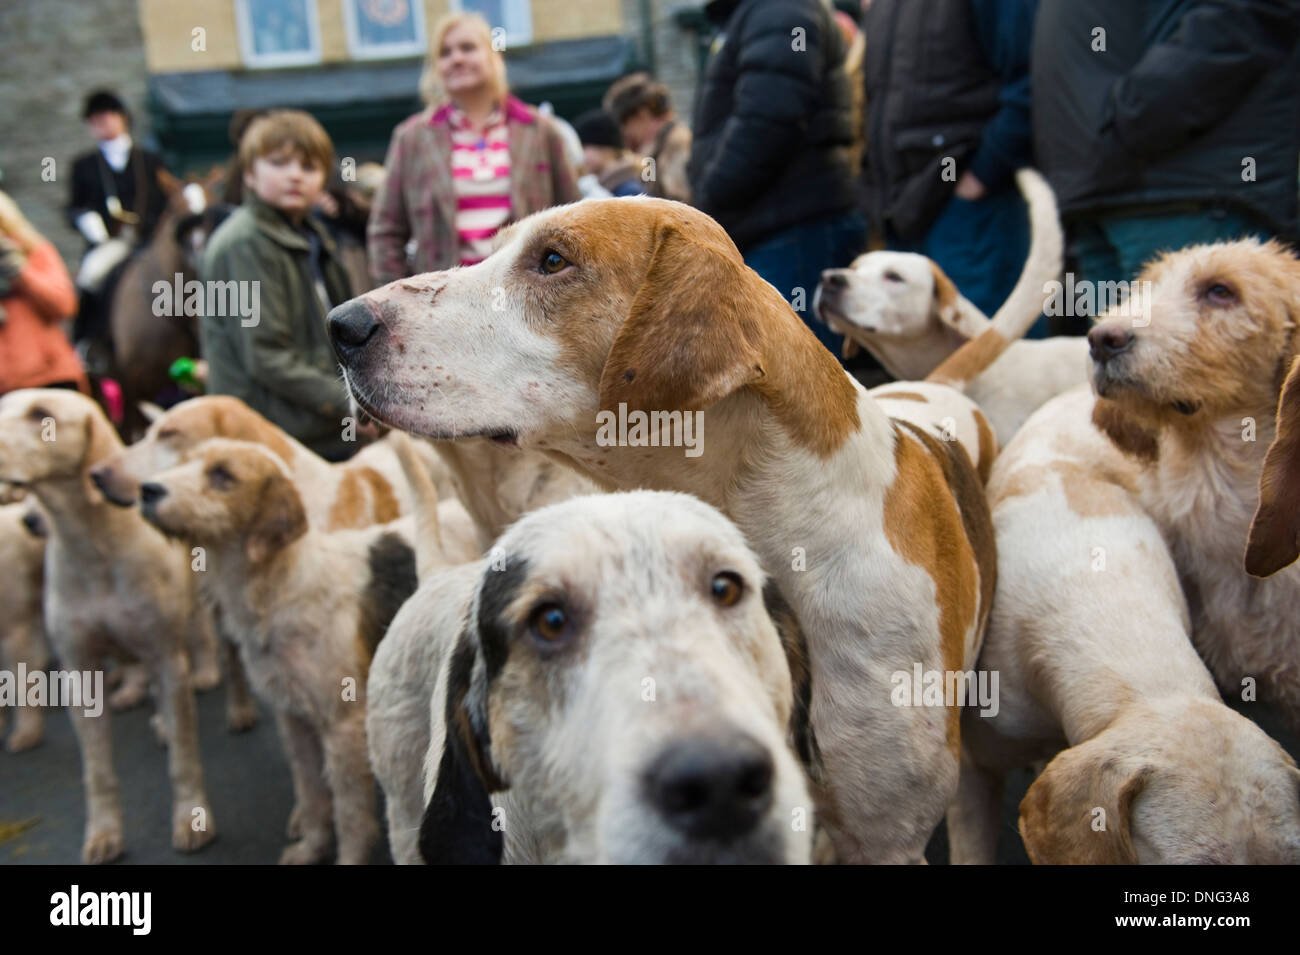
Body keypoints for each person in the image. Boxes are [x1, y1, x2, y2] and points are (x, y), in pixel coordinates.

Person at [1033, 0, 1300, 292]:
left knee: (1197, 334)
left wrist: (1136, 115)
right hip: (1104, 190)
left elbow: (1244, 15)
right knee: (1122, 333)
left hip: (1186, 187)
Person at [688, 0, 864, 360]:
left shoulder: (780, 9)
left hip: (792, 230)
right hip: (780, 226)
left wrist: (709, 201)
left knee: (803, 383)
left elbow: (768, 120)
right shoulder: (758, 13)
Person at [862, 0, 1039, 329]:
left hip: (969, 209)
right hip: (900, 211)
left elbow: (1031, 76)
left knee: (989, 360)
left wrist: (983, 173)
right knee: (925, 369)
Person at [367, 12, 580, 284]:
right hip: (441, 303)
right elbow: (385, 230)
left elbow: (572, 219)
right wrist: (396, 299)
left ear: (493, 57)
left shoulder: (541, 130)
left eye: (467, 48)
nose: (456, 58)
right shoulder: (411, 138)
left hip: (525, 300)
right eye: (444, 53)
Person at [199, 110, 358, 461]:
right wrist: (348, 402)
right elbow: (266, 356)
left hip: (313, 425)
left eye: (309, 166)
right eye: (279, 163)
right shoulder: (246, 242)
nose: (295, 176)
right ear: (250, 175)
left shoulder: (312, 235)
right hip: (272, 437)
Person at [66, 90, 170, 366]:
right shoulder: (84, 166)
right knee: (90, 275)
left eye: (107, 117)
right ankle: (85, 341)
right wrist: (87, 221)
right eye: (94, 120)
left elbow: (165, 202)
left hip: (149, 240)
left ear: (122, 118)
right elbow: (73, 207)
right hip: (110, 244)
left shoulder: (149, 160)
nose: (101, 124)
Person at [0, 191, 87, 395]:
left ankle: (94, 346)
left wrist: (20, 272)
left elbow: (64, 305)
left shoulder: (34, 252)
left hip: (51, 379)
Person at [603, 73, 692, 203]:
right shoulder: (658, 145)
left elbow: (679, 199)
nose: (623, 132)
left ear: (641, 115)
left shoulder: (676, 143)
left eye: (624, 124)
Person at [572, 109, 646, 197]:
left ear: (604, 148)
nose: (580, 155)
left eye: (583, 147)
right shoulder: (607, 185)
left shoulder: (629, 190)